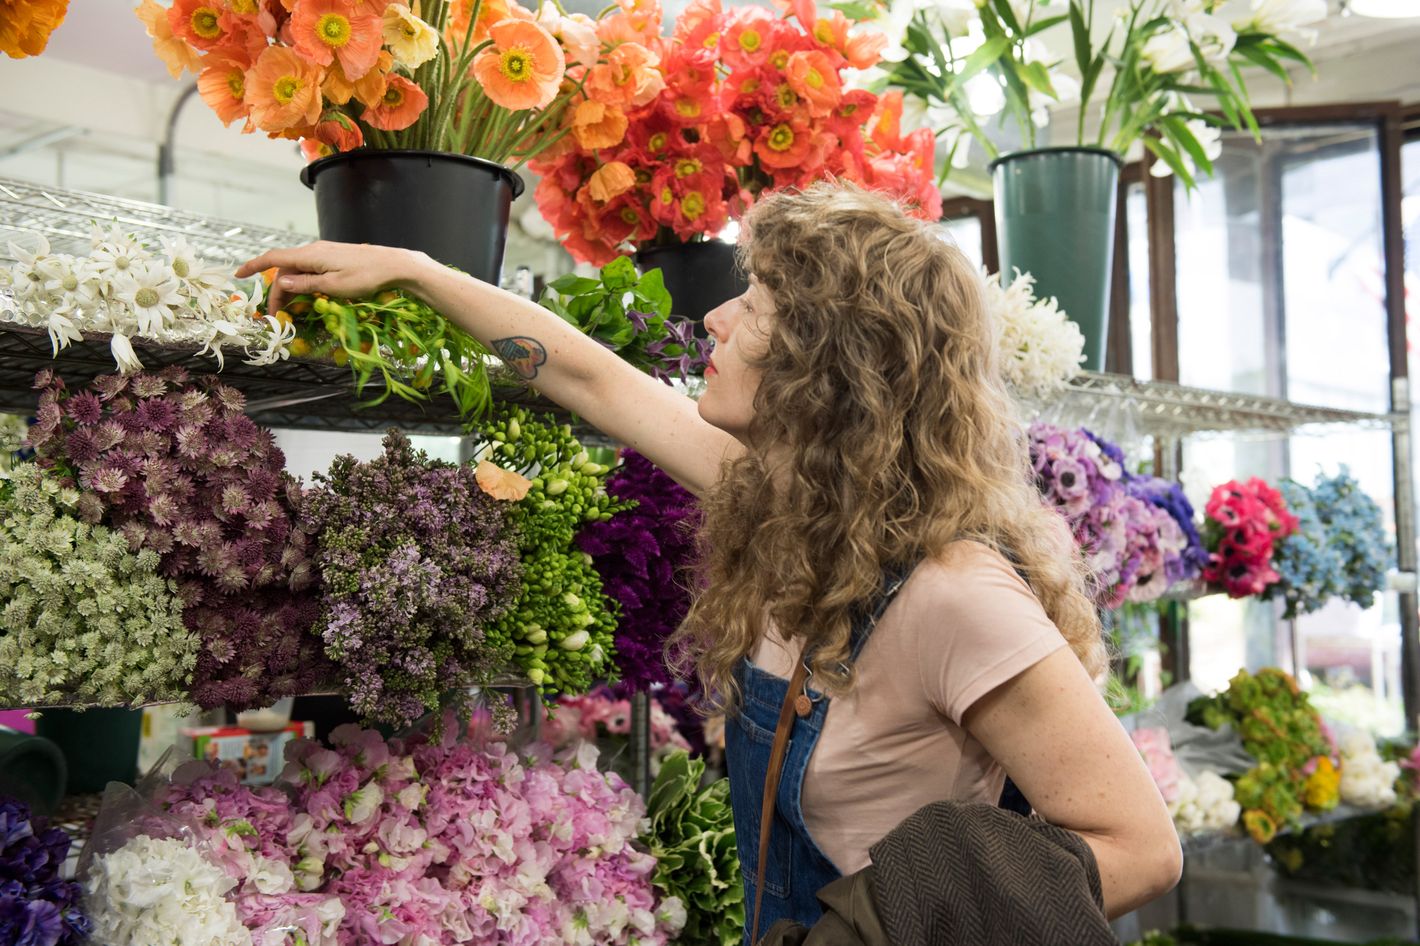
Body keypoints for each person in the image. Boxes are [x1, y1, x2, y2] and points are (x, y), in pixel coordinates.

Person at [238, 182, 1181, 940]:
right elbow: (588, 376)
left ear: (829, 362)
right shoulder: (795, 518)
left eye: (756, 303)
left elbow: (1142, 849)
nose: (716, 319)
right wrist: (415, 270)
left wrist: (885, 920)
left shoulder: (954, 598)